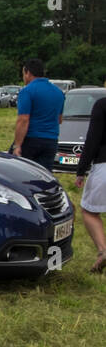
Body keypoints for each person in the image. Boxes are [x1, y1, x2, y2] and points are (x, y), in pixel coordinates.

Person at [12, 58, 64, 172]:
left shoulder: (27, 91)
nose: (23, 78)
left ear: (28, 73)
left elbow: (23, 120)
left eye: (23, 74)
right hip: (51, 141)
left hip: (31, 139)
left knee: (21, 174)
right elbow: (59, 119)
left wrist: (17, 145)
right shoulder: (59, 92)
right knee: (44, 176)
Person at [76, 85, 106, 272]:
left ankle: (103, 250)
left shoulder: (102, 105)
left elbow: (92, 139)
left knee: (89, 211)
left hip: (104, 164)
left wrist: (81, 170)